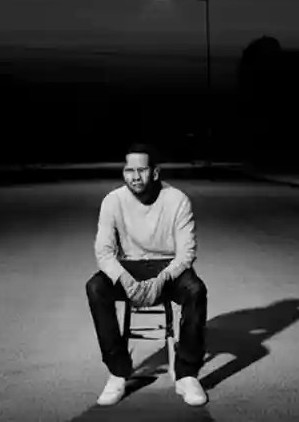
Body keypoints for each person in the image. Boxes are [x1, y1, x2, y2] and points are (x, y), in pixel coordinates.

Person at [85, 143, 208, 407]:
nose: (135, 177)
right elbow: (104, 253)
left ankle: (187, 374)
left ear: (155, 172)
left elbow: (186, 253)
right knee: (95, 287)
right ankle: (118, 371)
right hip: (129, 266)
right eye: (130, 170)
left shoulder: (177, 200)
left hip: (168, 267)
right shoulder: (113, 201)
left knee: (196, 290)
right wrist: (128, 282)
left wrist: (160, 280)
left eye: (142, 170)